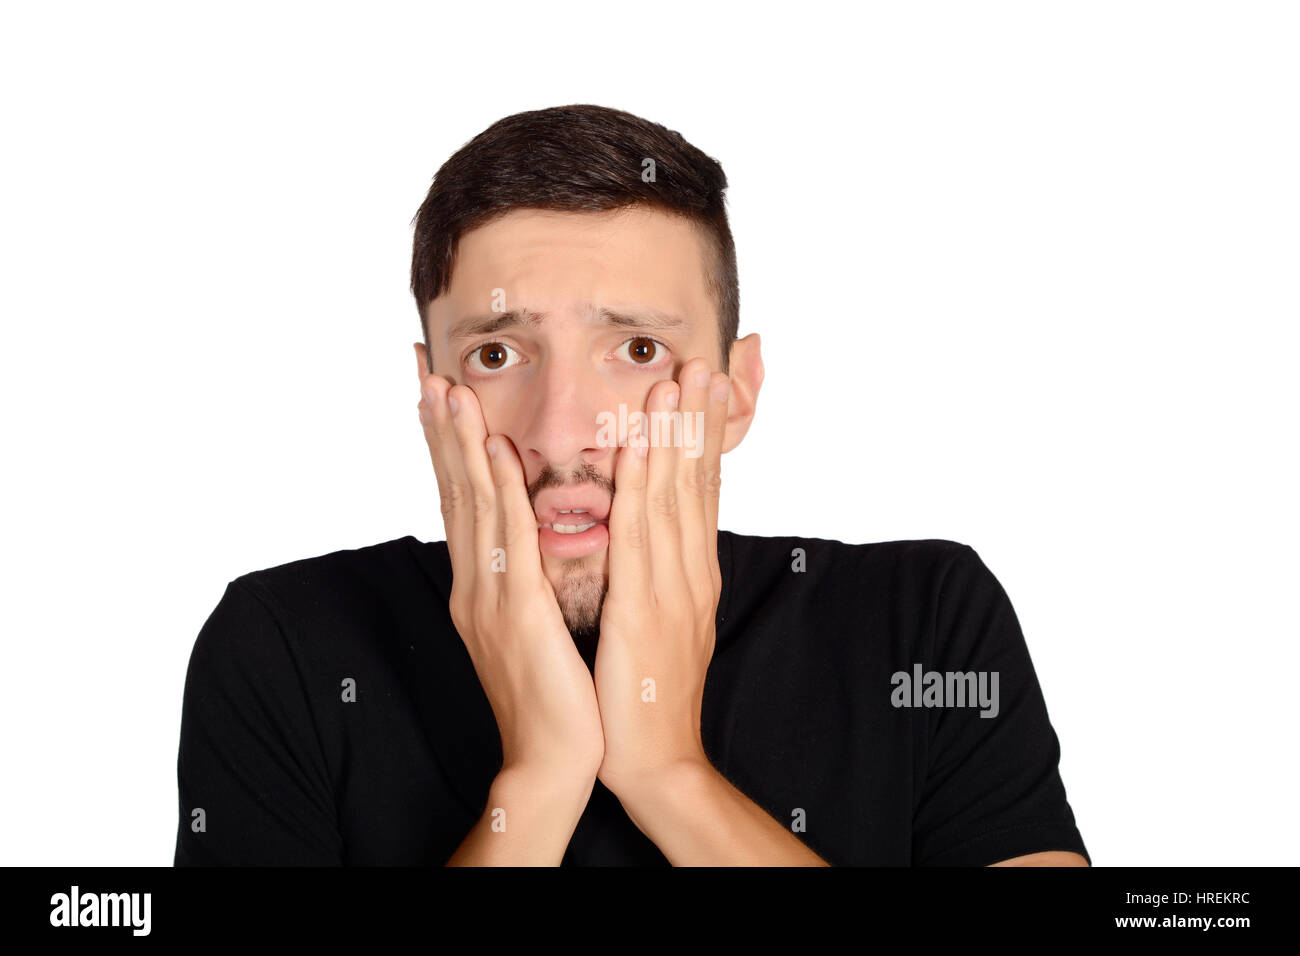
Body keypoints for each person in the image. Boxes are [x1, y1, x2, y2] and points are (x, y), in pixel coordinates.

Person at [174, 104, 1089, 866]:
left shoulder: (923, 620)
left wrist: (667, 772)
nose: (563, 429)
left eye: (637, 349)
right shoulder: (284, 645)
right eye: (497, 354)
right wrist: (538, 781)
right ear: (431, 394)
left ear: (735, 394)